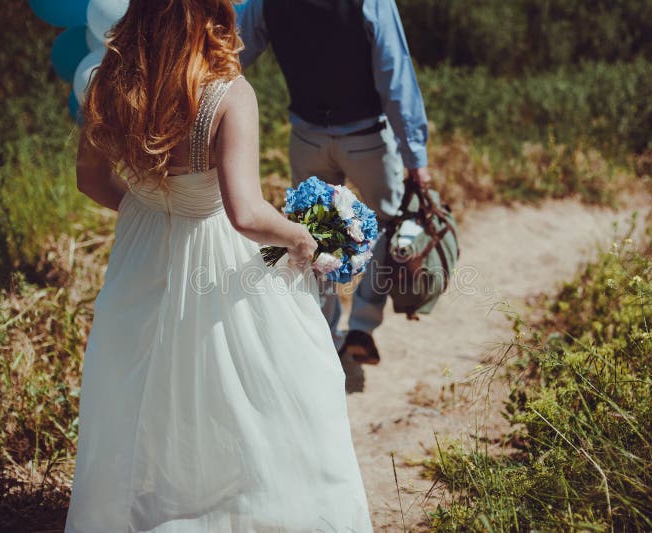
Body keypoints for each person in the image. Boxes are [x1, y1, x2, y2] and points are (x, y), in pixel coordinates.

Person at [64, 1, 373, 530]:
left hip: (142, 252)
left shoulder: (106, 83)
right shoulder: (228, 94)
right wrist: (302, 239)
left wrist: (150, 210)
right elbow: (246, 213)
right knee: (250, 384)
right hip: (216, 256)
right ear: (211, 13)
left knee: (145, 384)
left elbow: (90, 180)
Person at [236, 0, 432, 367]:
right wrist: (415, 158)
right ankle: (361, 327)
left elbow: (231, 50)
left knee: (312, 233)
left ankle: (324, 330)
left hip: (308, 136)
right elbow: (395, 75)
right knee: (385, 227)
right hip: (367, 138)